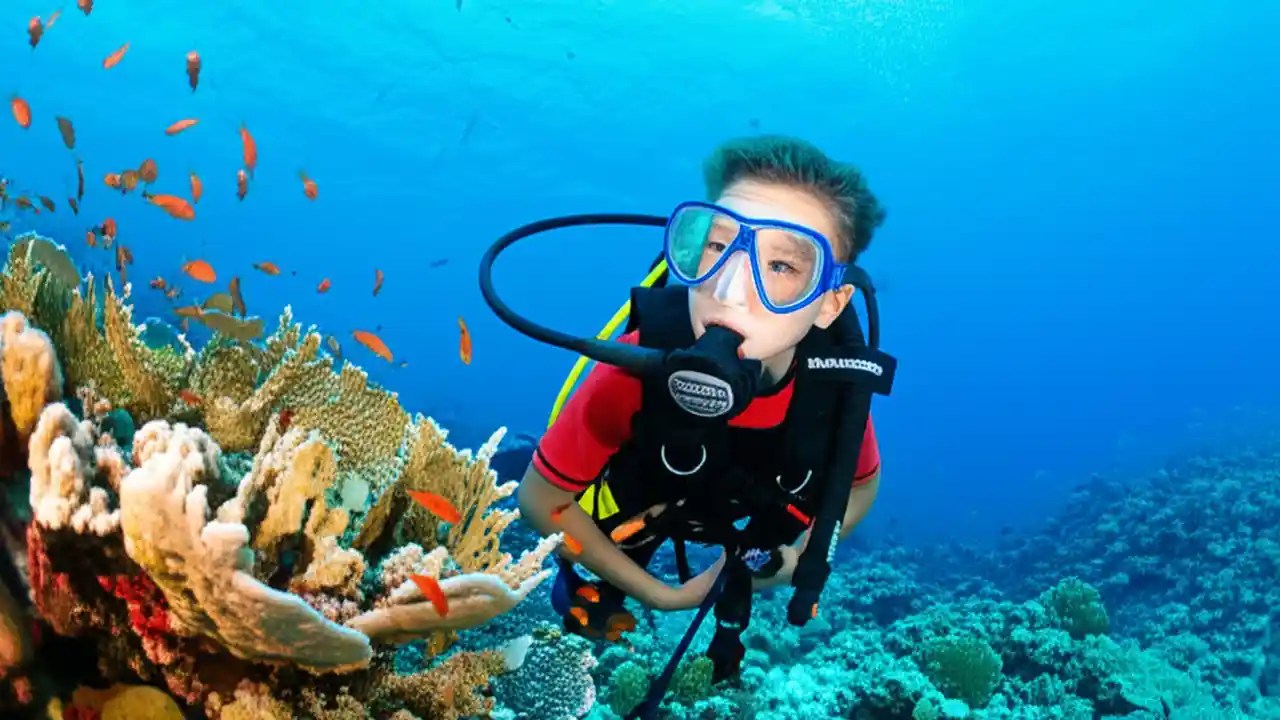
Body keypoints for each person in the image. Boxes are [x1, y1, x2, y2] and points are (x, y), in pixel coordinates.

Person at [516, 134, 887, 680]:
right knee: (580, 610)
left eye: (782, 266)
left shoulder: (832, 392)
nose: (730, 288)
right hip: (640, 501)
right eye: (717, 247)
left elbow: (861, 489)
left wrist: (789, 563)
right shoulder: (634, 368)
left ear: (830, 303)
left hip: (749, 510)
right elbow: (540, 501)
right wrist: (662, 596)